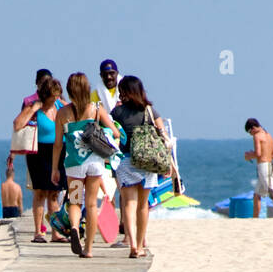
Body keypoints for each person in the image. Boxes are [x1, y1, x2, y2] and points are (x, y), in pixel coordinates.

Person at [51, 72, 120, 258]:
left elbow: (57, 144)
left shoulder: (62, 113)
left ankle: (74, 227)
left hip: (74, 165)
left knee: (74, 201)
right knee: (91, 205)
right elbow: (115, 133)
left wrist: (54, 169)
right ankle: (88, 249)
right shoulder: (96, 109)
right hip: (95, 163)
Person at [111, 76, 168, 258]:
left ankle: (133, 245)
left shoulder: (117, 112)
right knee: (143, 205)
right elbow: (164, 136)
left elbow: (110, 135)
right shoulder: (149, 111)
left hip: (126, 161)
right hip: (147, 161)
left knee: (128, 203)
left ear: (126, 92)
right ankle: (141, 245)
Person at [13, 75, 67, 242]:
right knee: (40, 192)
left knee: (54, 193)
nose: (55, 99)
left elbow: (76, 113)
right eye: (53, 96)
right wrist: (32, 109)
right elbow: (17, 124)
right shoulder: (35, 107)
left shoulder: (60, 105)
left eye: (58, 95)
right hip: (39, 153)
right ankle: (38, 232)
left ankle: (56, 233)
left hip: (59, 151)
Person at [0, 155, 24, 219]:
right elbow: (20, 202)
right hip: (14, 210)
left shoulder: (1, 186)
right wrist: (21, 213)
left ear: (6, 174)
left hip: (4, 209)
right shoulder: (17, 187)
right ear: (13, 175)